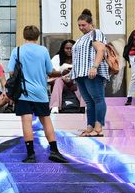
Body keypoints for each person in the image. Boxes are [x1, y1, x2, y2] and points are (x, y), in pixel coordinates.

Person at [6, 25, 68, 163]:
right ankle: (54, 151)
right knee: (46, 120)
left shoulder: (17, 50)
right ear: (37, 36)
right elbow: (50, 71)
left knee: (26, 121)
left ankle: (31, 154)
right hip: (41, 93)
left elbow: (11, 71)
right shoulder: (43, 50)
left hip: (23, 92)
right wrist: (61, 73)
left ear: (24, 35)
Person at [72, 9, 110, 137]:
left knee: (98, 99)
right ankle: (90, 127)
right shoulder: (81, 38)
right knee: (89, 102)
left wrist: (94, 67)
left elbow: (100, 50)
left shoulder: (95, 33)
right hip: (80, 74)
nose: (81, 27)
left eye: (83, 25)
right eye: (79, 25)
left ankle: (98, 128)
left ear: (90, 23)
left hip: (92, 72)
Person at [49, 39, 83, 114]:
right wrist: (62, 73)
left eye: (71, 48)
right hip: (62, 83)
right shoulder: (57, 58)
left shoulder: (79, 58)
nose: (69, 50)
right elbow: (51, 72)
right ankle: (55, 106)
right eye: (67, 48)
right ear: (63, 49)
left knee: (82, 81)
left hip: (74, 82)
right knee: (59, 80)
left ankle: (84, 106)